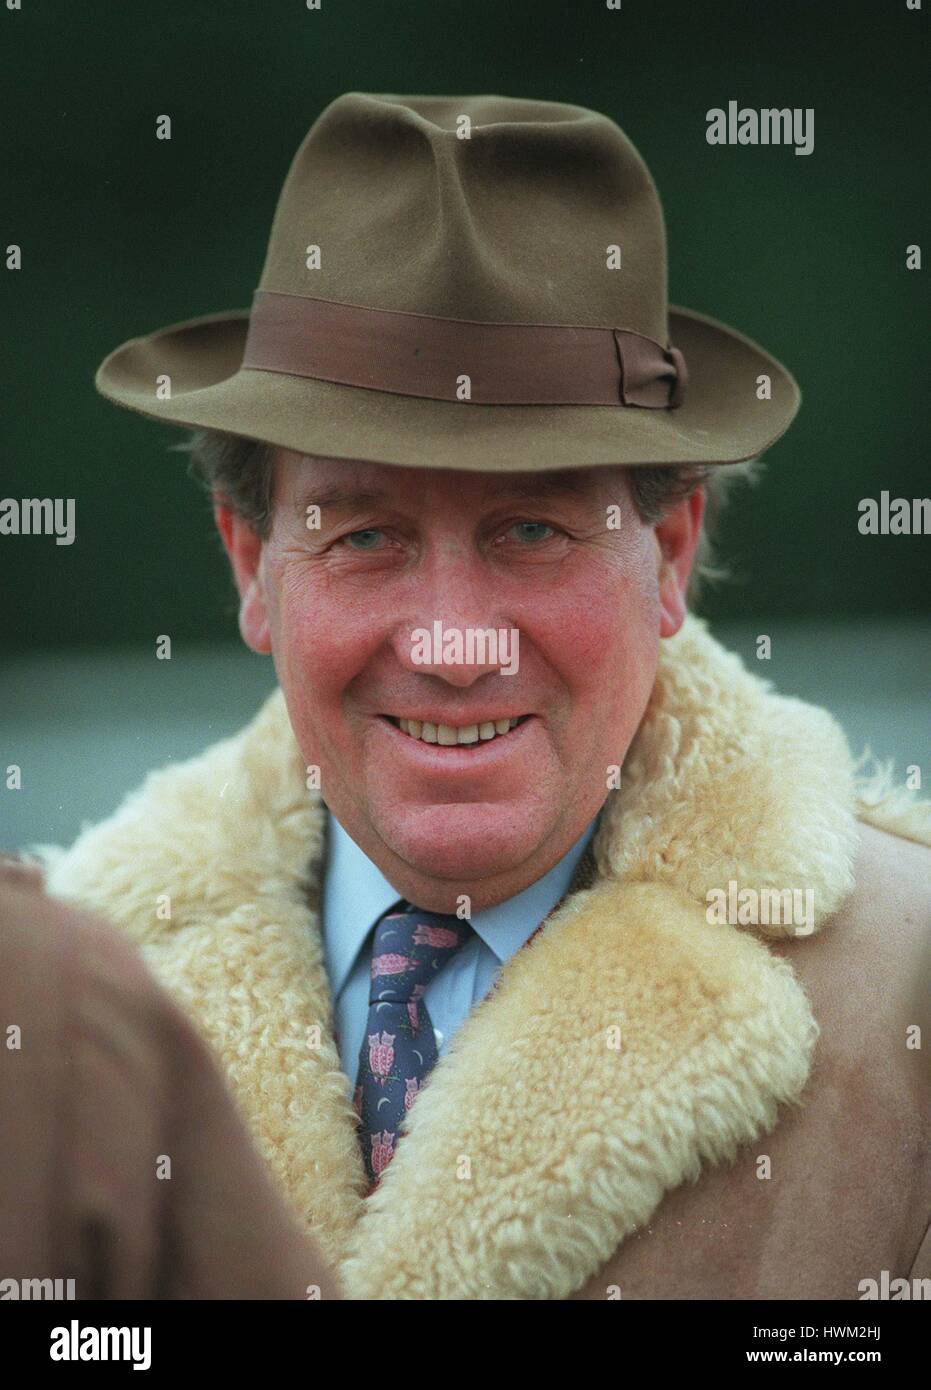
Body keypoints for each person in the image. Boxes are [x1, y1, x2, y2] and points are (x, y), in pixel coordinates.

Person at [4, 92, 929, 1300]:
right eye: (367, 534)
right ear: (250, 565)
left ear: (670, 556)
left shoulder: (908, 1002)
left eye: (533, 528)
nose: (449, 641)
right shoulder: (54, 1019)